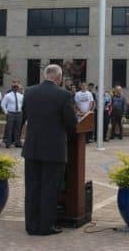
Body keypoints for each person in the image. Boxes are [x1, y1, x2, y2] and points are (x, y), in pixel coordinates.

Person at [22, 64, 77, 236]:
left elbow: (25, 114)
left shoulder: (29, 92)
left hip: (32, 148)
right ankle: (46, 226)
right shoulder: (64, 95)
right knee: (49, 188)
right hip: (54, 150)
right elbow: (71, 122)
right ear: (59, 78)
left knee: (32, 188)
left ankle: (31, 225)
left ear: (45, 75)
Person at [2, 79, 24, 148]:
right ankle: (8, 143)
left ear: (18, 88)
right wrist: (6, 113)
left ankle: (17, 143)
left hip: (19, 114)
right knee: (9, 128)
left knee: (18, 129)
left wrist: (21, 111)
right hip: (10, 113)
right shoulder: (7, 95)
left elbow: (23, 104)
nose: (15, 88)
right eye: (14, 87)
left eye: (16, 87)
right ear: (11, 88)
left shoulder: (21, 96)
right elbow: (3, 104)